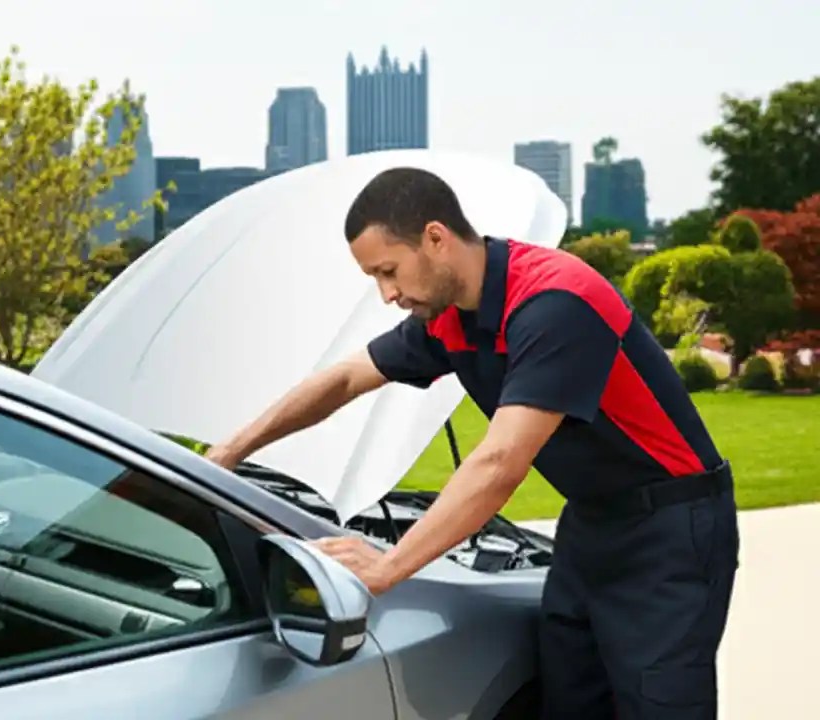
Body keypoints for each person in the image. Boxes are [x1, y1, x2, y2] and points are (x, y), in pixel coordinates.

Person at [204, 167, 739, 719]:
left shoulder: (557, 302)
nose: (387, 294)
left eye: (388, 271)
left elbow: (500, 463)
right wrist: (228, 453)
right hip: (591, 522)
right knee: (571, 702)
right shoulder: (451, 316)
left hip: (672, 529)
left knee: (659, 707)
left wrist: (388, 568)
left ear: (435, 238)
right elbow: (343, 380)